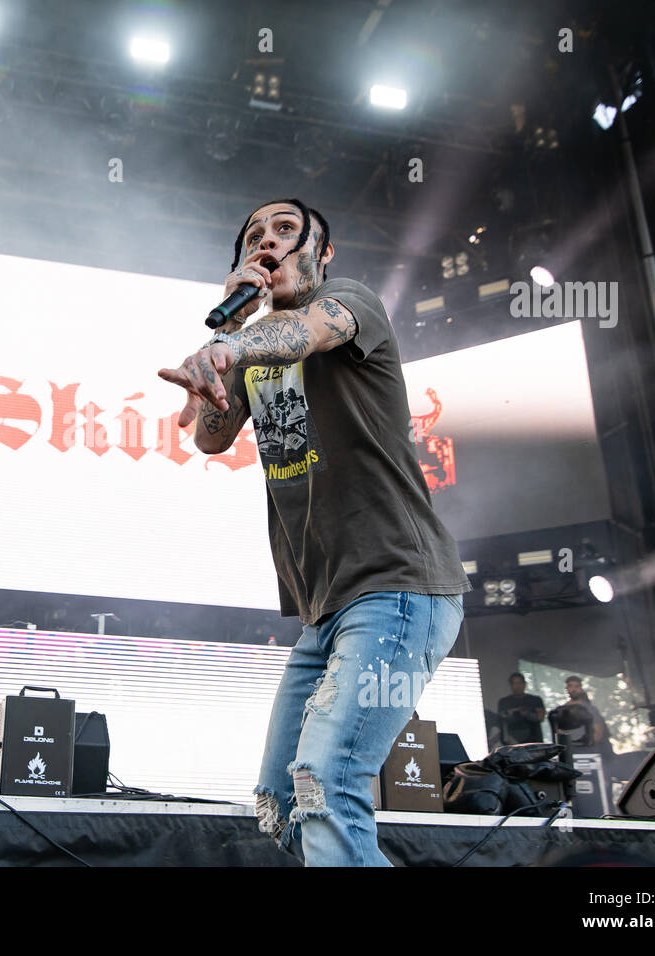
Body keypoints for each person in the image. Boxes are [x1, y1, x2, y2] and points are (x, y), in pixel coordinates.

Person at [158, 197, 470, 866]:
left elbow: (304, 334)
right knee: (280, 798)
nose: (266, 242)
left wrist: (228, 343)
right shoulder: (250, 347)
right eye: (252, 238)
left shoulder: (348, 302)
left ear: (321, 254)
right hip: (324, 609)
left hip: (397, 589)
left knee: (326, 783)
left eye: (285, 231)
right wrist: (215, 368)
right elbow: (212, 438)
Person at [552, 675, 612, 755]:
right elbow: (560, 734)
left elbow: (598, 733)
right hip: (571, 753)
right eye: (570, 686)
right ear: (567, 688)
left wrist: (585, 748)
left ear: (581, 688)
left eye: (576, 686)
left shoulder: (591, 709)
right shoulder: (561, 711)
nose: (573, 689)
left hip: (590, 751)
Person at [497, 672, 546, 744]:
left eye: (520, 683)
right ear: (511, 685)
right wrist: (512, 713)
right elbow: (501, 718)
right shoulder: (504, 702)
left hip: (534, 742)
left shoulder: (535, 700)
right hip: (512, 743)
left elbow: (541, 717)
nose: (518, 686)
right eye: (515, 683)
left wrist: (527, 714)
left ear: (524, 684)